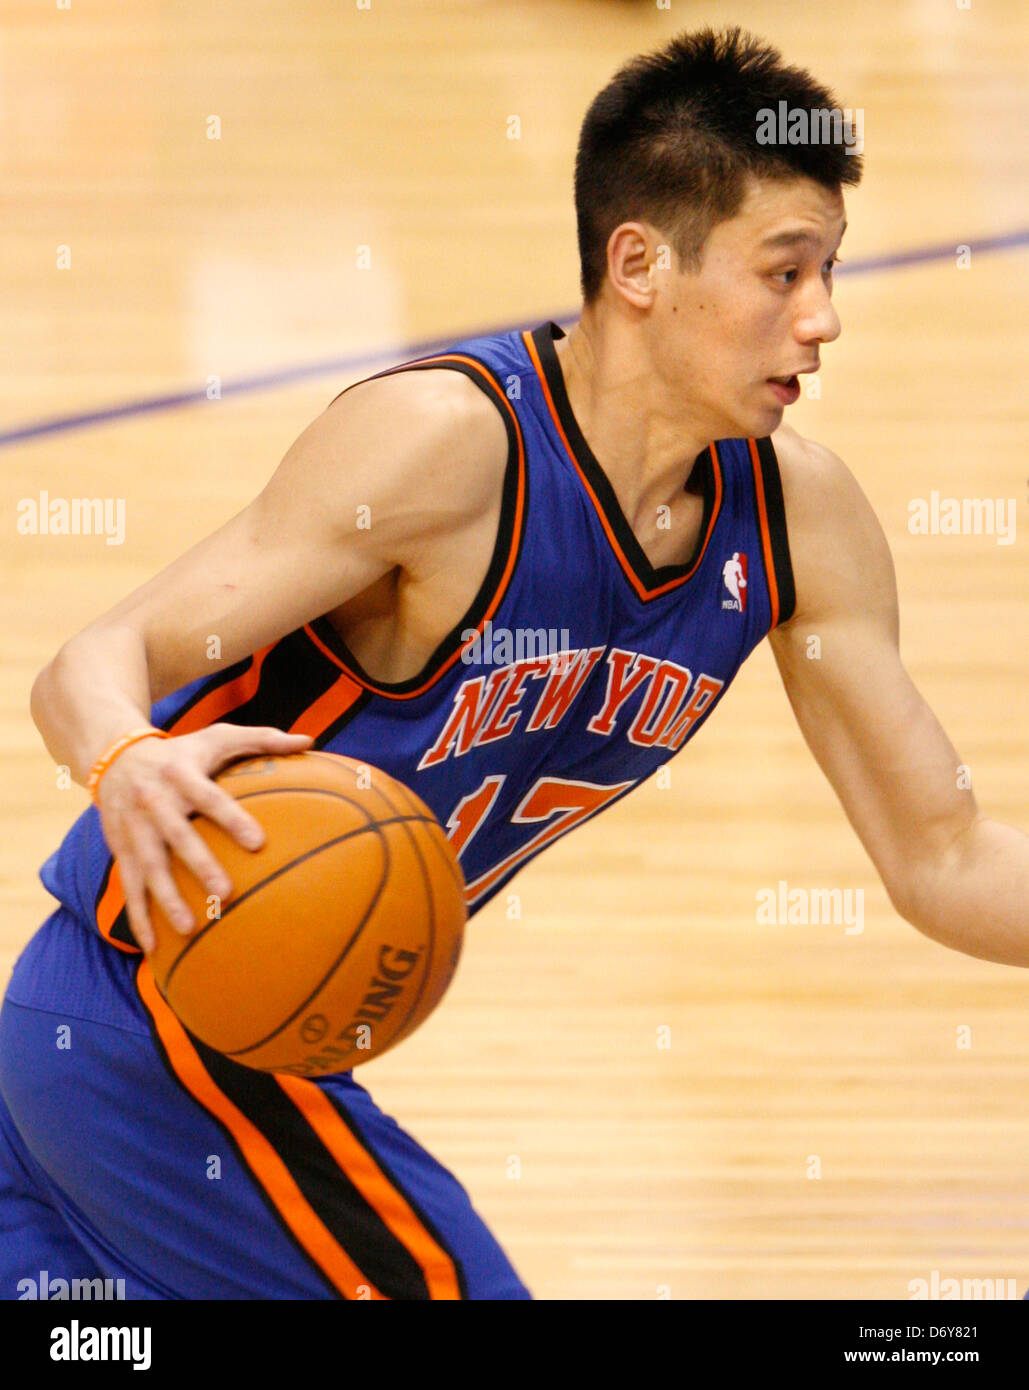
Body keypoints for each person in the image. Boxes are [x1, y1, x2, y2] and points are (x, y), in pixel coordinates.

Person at [2, 26, 1025, 1302]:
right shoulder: (446, 446)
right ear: (639, 262)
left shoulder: (798, 519)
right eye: (784, 272)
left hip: (238, 1036)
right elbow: (92, 660)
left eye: (830, 272)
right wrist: (125, 754)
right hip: (157, 1019)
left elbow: (944, 856)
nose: (821, 319)